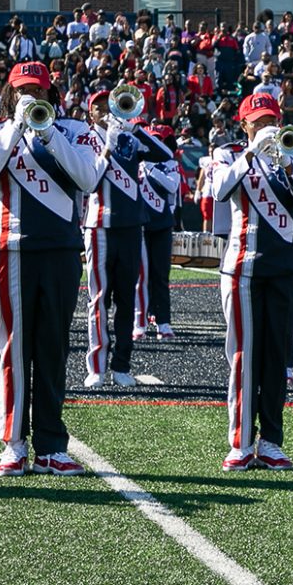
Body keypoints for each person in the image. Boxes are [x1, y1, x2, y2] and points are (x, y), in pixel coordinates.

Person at [0, 63, 104, 477]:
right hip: (8, 249)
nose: (31, 97)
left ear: (51, 94)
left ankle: (50, 445)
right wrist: (14, 126)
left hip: (62, 250)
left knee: (53, 349)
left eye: (38, 91)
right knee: (15, 347)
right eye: (22, 91)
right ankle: (13, 443)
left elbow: (89, 178)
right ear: (9, 94)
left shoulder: (75, 131)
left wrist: (49, 133)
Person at [207, 93, 293, 470]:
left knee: (276, 359)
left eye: (270, 119)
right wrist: (251, 153)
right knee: (243, 358)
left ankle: (271, 440)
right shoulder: (228, 154)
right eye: (258, 121)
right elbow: (219, 190)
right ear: (244, 125)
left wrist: (288, 163)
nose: (266, 127)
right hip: (242, 269)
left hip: (285, 268)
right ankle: (239, 441)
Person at [81, 90, 172, 388]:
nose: (106, 111)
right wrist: (106, 148)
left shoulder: (130, 139)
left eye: (109, 105)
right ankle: (96, 366)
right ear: (90, 112)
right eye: (99, 107)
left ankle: (121, 364)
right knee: (98, 299)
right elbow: (87, 179)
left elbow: (165, 153)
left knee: (125, 297)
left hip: (132, 225)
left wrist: (135, 128)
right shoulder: (84, 139)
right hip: (99, 226)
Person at [133, 125, 183, 340]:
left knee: (160, 275)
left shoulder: (170, 163)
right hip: (139, 225)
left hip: (162, 225)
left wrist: (151, 168)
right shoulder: (135, 161)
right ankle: (139, 321)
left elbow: (172, 187)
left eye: (158, 140)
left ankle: (163, 322)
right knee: (139, 277)